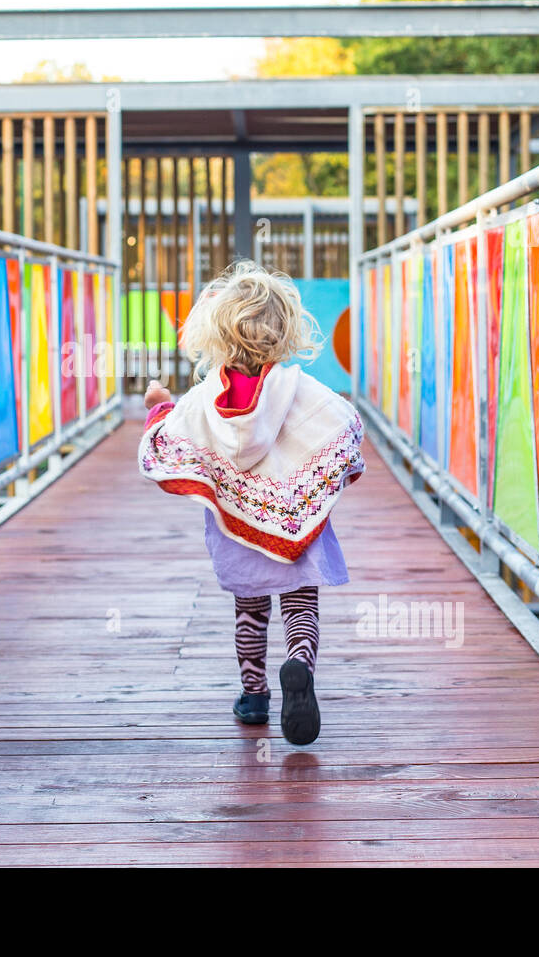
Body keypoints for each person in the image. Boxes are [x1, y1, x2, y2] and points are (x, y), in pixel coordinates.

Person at [138, 262, 364, 745]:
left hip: (238, 530)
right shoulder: (301, 387)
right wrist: (338, 470)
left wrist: (158, 403)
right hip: (298, 525)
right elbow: (346, 428)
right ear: (285, 331)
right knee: (301, 601)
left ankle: (254, 695)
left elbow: (168, 438)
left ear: (216, 333)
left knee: (250, 608)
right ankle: (299, 664)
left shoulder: (203, 398)